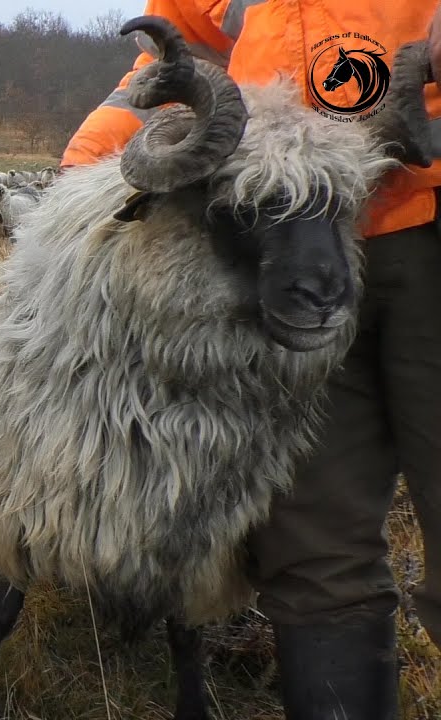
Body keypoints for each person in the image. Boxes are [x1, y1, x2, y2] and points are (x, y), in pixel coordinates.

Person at [62, 2, 441, 718]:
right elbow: (177, 61)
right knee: (311, 542)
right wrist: (90, 165)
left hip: (428, 213)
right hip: (278, 248)